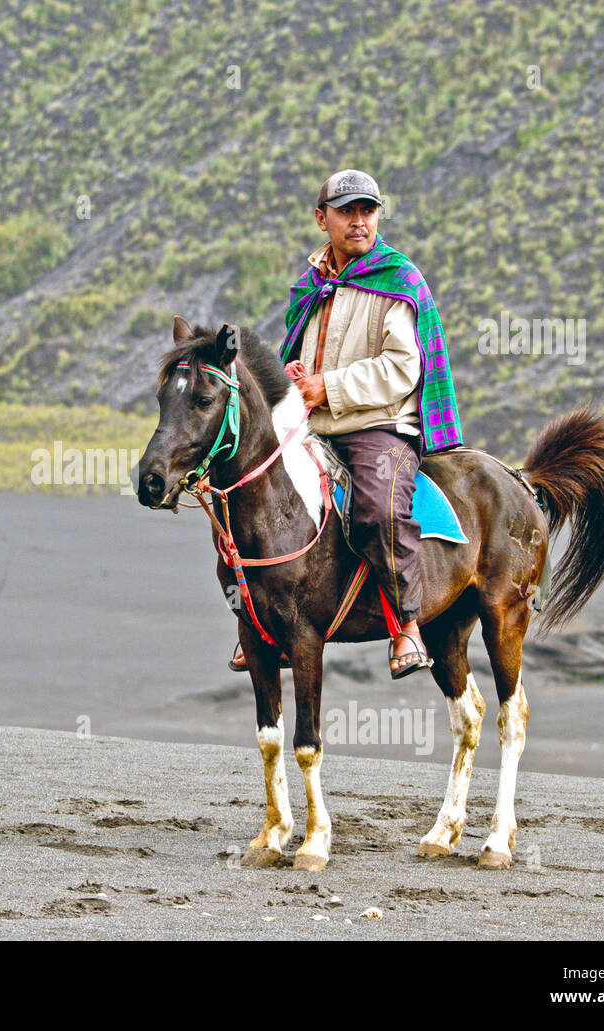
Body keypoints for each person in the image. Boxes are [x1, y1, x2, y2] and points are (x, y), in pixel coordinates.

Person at [228, 169, 464, 678]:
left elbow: (403, 369)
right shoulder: (311, 285)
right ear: (322, 219)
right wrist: (297, 378)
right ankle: (260, 625)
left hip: (380, 426)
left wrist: (327, 386)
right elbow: (304, 359)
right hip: (316, 426)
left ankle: (407, 624)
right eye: (347, 211)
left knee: (378, 508)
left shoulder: (397, 279)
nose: (359, 221)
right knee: (247, 497)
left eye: (368, 211)